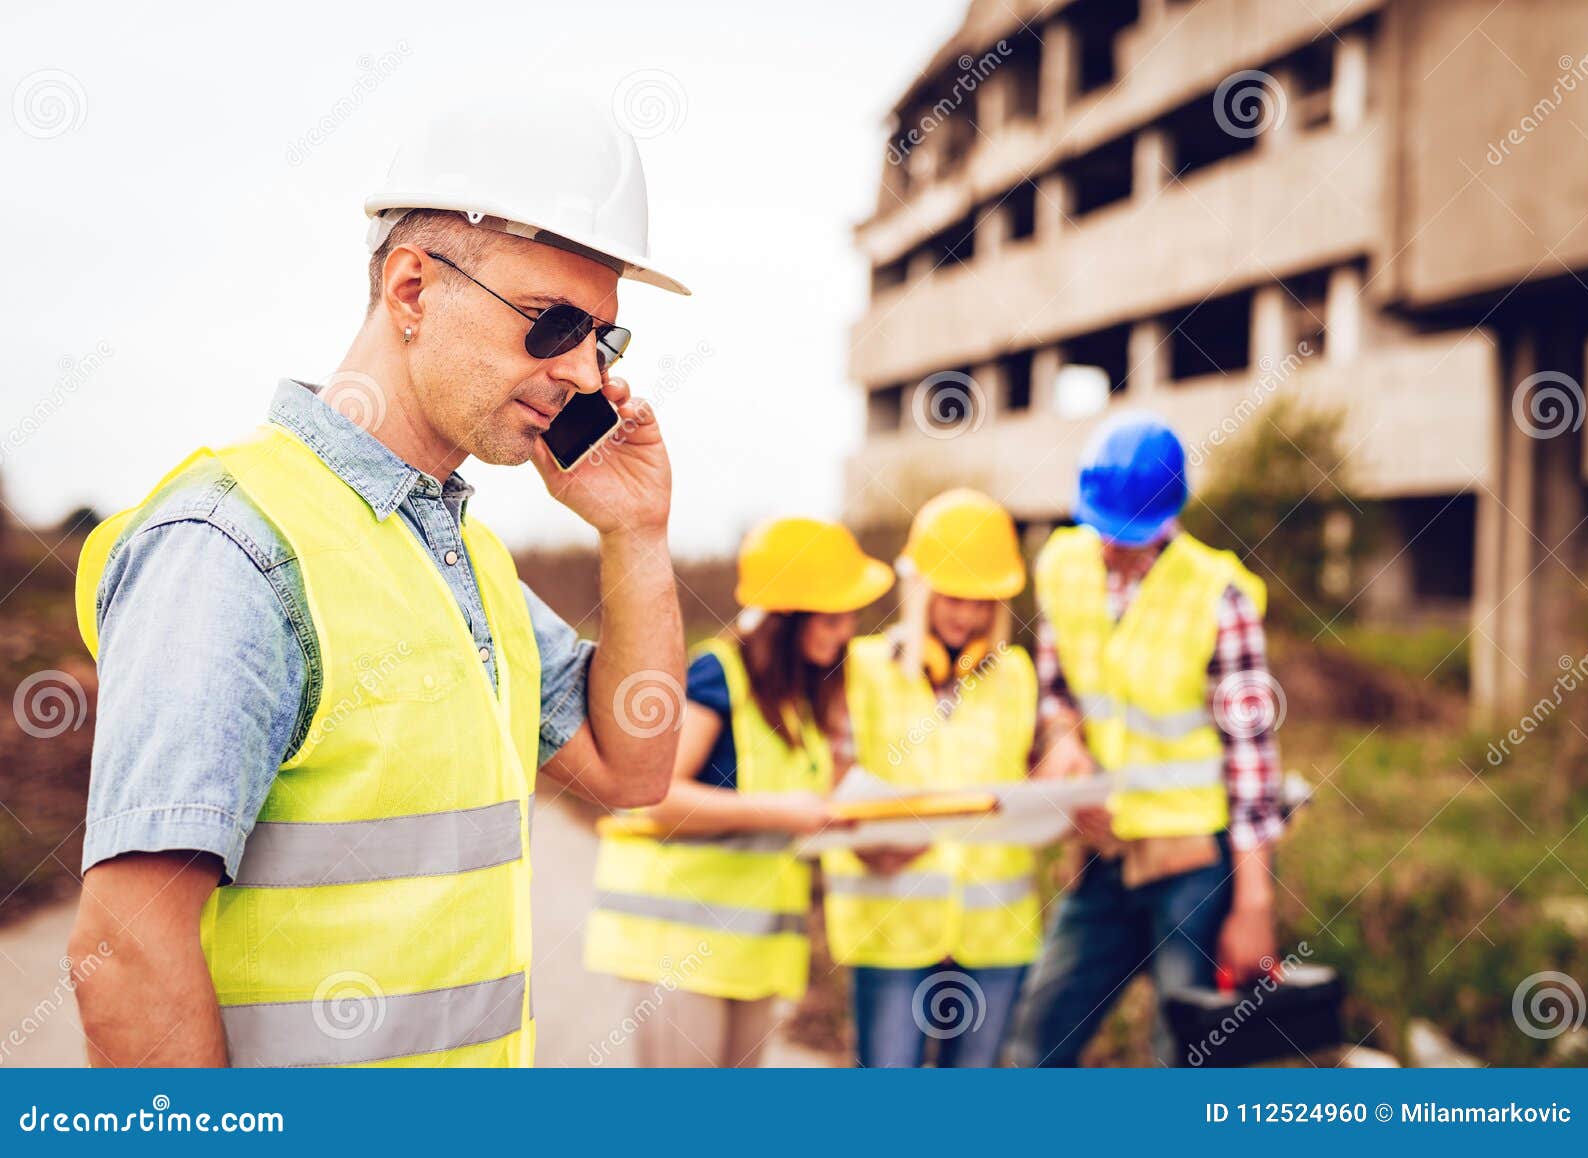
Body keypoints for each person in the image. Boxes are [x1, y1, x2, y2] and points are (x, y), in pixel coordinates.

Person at [66, 101, 690, 1068]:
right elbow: (125, 952)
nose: (581, 372)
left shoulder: (461, 556)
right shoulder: (232, 544)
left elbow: (632, 771)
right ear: (411, 291)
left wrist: (637, 535)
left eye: (603, 340)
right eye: (554, 323)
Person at [1010, 410, 1284, 1067]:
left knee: (1185, 1060)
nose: (1106, 546)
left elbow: (1252, 764)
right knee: (1032, 1045)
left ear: (1168, 519)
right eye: (1097, 528)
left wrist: (1255, 903)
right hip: (1105, 854)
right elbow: (1058, 693)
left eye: (1123, 535)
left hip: (1192, 870)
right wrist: (1062, 739)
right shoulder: (1062, 569)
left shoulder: (1220, 600)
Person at [585, 517, 893, 1067]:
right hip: (679, 951)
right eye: (833, 615)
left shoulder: (803, 699)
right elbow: (652, 798)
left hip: (751, 955)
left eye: (851, 614)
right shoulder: (718, 675)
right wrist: (783, 812)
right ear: (787, 618)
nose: (847, 629)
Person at [822, 489, 1042, 1067]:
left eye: (981, 602)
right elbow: (832, 780)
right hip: (893, 922)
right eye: (953, 598)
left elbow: (1037, 773)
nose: (967, 615)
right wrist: (865, 844)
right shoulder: (865, 668)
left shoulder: (1017, 675)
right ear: (920, 589)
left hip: (995, 931)